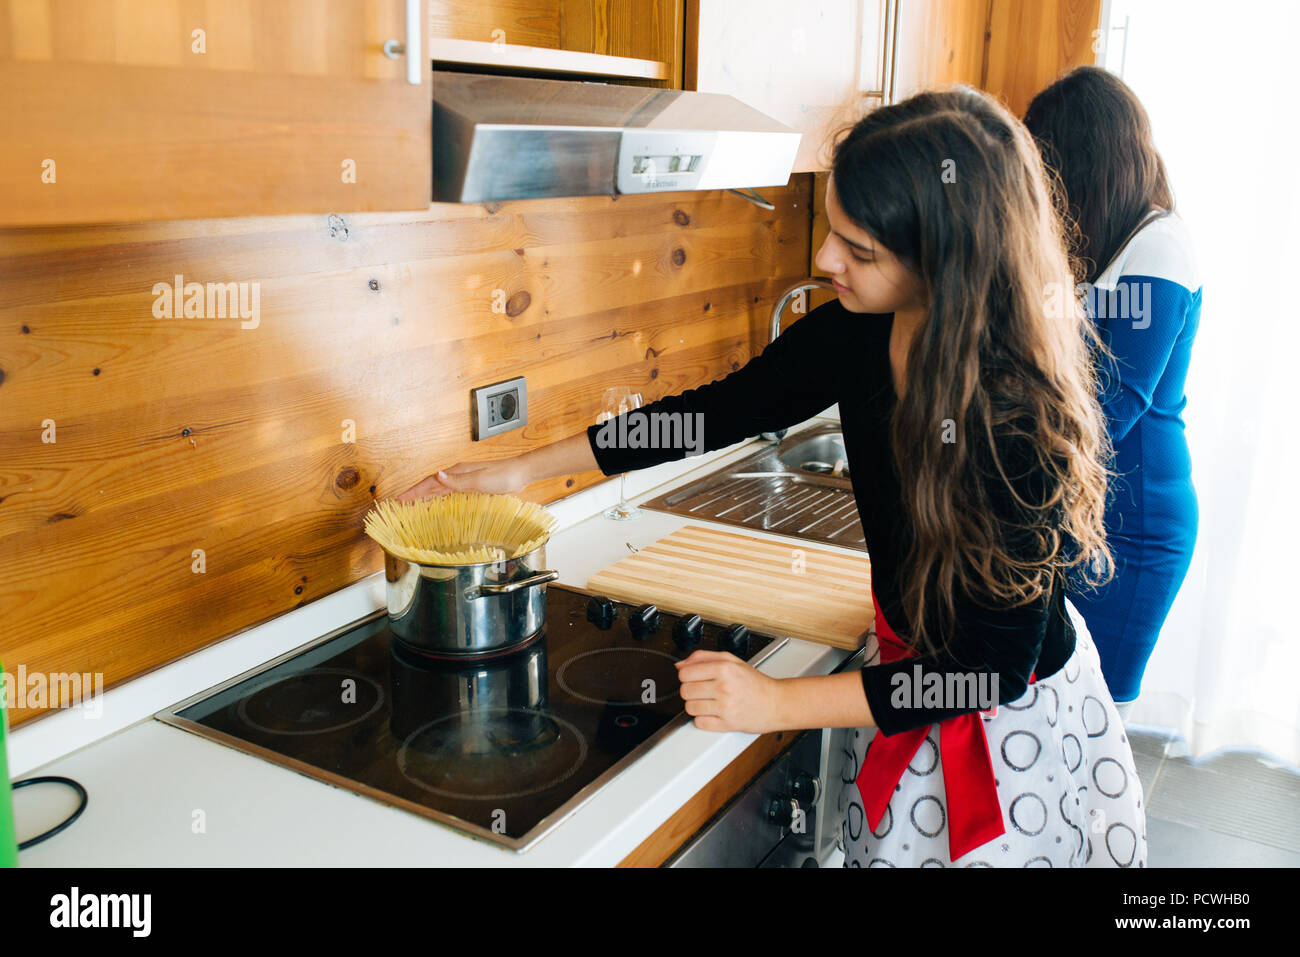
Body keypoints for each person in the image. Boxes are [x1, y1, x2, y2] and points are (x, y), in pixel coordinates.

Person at [398, 87, 1148, 867]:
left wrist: (774, 701)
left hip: (1006, 738)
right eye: (834, 229)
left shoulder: (1012, 420)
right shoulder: (860, 330)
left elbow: (983, 674)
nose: (826, 260)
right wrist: (520, 470)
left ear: (946, 265)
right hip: (904, 686)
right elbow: (714, 413)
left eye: (859, 251)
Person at [1024, 67, 1202, 721]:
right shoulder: (1115, 246)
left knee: (1092, 727)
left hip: (1132, 529)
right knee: (1053, 721)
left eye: (1048, 166)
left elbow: (1109, 409)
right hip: (1083, 517)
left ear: (1087, 161)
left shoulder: (1159, 249)